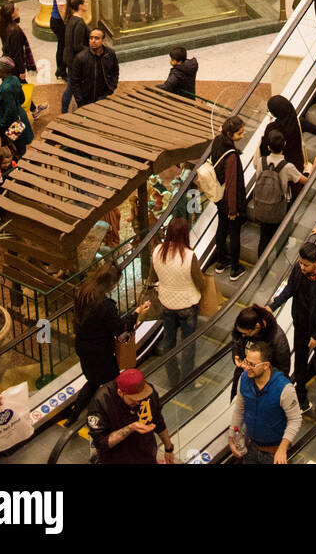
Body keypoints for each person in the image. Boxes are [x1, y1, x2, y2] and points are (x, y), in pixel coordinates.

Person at [73, 262, 150, 415]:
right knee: (116, 383)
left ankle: (73, 416)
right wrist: (136, 314)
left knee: (94, 381)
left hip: (82, 346)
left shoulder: (83, 292)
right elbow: (121, 332)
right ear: (112, 283)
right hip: (100, 353)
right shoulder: (106, 305)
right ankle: (117, 414)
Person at [270, 240, 316, 416]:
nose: (301, 267)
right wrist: (273, 305)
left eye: (306, 265)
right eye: (300, 263)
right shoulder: (298, 271)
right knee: (299, 361)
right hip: (300, 325)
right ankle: (300, 394)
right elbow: (289, 289)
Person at [253, 127, 316, 251]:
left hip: (262, 205)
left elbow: (258, 179)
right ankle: (278, 259)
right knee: (281, 237)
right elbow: (306, 181)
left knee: (264, 237)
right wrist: (314, 162)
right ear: (284, 145)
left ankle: (262, 267)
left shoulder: (262, 161)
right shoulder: (288, 167)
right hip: (281, 207)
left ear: (268, 147)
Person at [149, 216, 204, 387]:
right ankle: (187, 382)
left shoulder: (158, 251)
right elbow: (200, 282)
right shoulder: (189, 256)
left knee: (169, 343)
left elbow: (152, 277)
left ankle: (173, 378)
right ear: (185, 234)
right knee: (188, 345)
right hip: (187, 305)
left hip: (166, 302)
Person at [229, 339, 302, 463]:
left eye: (252, 364)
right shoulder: (244, 378)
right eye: (246, 361)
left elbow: (295, 420)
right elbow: (239, 409)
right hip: (251, 447)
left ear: (266, 365)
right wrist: (232, 436)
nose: (247, 367)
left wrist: (282, 449)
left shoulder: (284, 389)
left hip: (274, 453)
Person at [87, 368, 174, 465]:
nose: (139, 402)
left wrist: (169, 448)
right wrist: (131, 428)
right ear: (120, 393)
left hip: (146, 453)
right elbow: (101, 443)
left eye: (141, 397)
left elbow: (158, 421)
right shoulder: (101, 402)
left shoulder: (147, 391)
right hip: (117, 459)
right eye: (134, 399)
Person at [211, 115, 247, 280]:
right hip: (230, 200)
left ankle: (220, 262)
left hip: (219, 197)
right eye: (239, 133)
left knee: (221, 227)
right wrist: (233, 209)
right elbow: (232, 184)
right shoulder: (231, 156)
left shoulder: (218, 142)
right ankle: (234, 268)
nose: (243, 135)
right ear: (230, 134)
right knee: (234, 233)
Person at [230, 304, 291, 399]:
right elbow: (237, 342)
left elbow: (282, 369)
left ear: (257, 327)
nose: (243, 336)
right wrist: (237, 355)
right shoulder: (243, 331)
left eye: (245, 333)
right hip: (243, 378)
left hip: (264, 385)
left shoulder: (277, 339)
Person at [0, 56, 33, 158]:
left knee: (13, 151)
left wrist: (1, 123)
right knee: (21, 148)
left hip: (11, 123)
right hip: (20, 116)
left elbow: (10, 109)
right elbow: (22, 99)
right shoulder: (15, 79)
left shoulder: (6, 88)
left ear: (1, 71)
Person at [69, 27, 119, 108]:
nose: (93, 41)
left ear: (103, 41)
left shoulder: (110, 54)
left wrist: (112, 87)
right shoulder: (80, 58)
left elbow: (115, 71)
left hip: (105, 97)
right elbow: (75, 82)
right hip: (86, 100)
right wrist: (80, 101)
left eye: (97, 38)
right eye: (91, 38)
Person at [0, 0, 37, 95]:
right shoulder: (15, 31)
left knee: (15, 87)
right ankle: (32, 108)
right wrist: (22, 71)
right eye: (16, 9)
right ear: (11, 14)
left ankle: (33, 107)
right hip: (14, 66)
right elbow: (18, 53)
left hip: (6, 61)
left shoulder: (2, 25)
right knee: (21, 88)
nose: (18, 10)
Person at [62, 0, 90, 100]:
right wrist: (91, 50)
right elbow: (77, 46)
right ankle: (65, 111)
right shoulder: (79, 22)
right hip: (75, 61)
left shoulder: (71, 19)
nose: (87, 4)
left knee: (72, 87)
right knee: (71, 88)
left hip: (70, 58)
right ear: (80, 6)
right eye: (85, 2)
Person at [50, 0, 73, 81]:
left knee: (63, 45)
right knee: (63, 46)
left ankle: (62, 69)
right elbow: (62, 10)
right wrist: (67, 24)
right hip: (59, 22)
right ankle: (61, 70)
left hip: (61, 21)